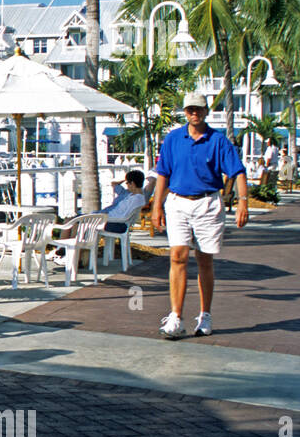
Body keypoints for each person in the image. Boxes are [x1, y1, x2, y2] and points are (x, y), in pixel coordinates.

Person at [151, 93, 249, 339]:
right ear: (185, 112)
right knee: (177, 256)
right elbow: (162, 173)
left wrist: (242, 202)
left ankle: (205, 314)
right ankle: (175, 316)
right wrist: (156, 206)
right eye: (190, 109)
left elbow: (237, 172)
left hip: (208, 202)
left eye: (199, 109)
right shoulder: (173, 139)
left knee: (204, 260)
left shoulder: (218, 140)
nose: (194, 113)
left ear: (206, 111)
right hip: (177, 203)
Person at [50, 169, 148, 262]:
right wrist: (126, 178)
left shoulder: (137, 199)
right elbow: (114, 185)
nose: (126, 185)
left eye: (128, 183)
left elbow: (122, 216)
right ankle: (62, 250)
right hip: (106, 218)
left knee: (78, 223)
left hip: (115, 223)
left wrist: (100, 217)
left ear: (133, 184)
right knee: (70, 219)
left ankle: (72, 256)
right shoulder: (128, 194)